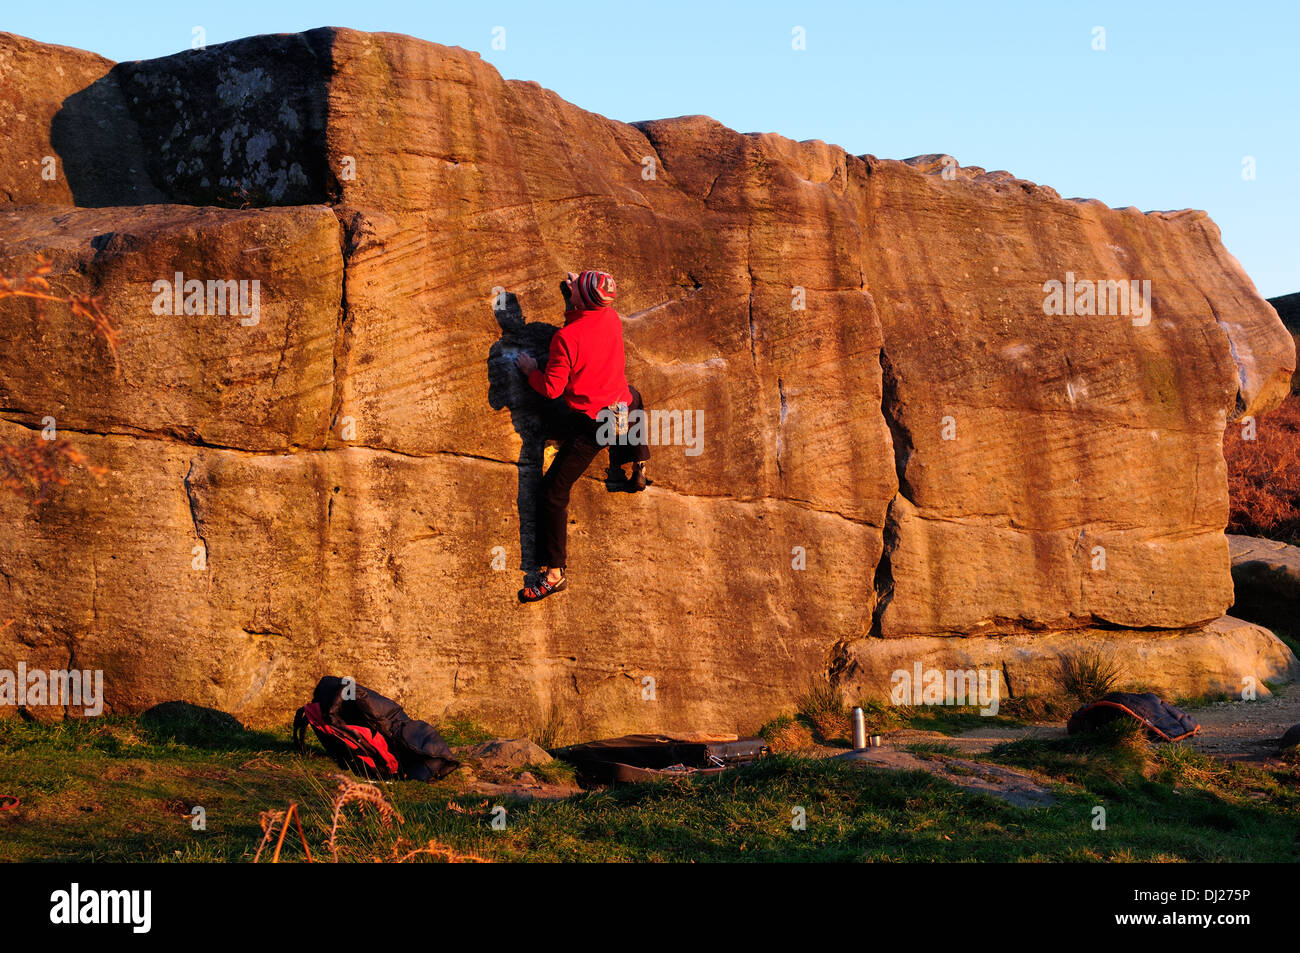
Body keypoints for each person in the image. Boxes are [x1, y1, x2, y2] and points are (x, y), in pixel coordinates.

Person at [514, 270, 649, 603]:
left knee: (552, 493)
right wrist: (579, 291)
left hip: (592, 427)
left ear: (582, 299)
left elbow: (552, 388)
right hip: (621, 405)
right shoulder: (611, 318)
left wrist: (531, 370)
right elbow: (589, 316)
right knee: (635, 395)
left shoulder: (566, 339)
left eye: (575, 286)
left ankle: (554, 574)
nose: (570, 284)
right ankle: (638, 465)